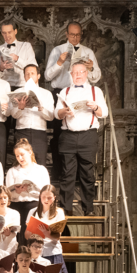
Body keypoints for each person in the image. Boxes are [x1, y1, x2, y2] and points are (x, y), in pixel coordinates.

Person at [54, 62, 108, 216]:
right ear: (71, 74)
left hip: (88, 136)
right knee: (67, 174)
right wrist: (64, 112)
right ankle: (66, 208)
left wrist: (95, 107)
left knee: (87, 174)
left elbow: (104, 113)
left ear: (86, 73)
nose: (77, 75)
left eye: (81, 72)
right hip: (68, 136)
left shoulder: (95, 90)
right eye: (75, 72)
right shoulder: (65, 91)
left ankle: (88, 208)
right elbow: (55, 114)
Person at [45, 21, 103, 90]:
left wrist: (91, 69)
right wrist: (59, 63)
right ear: (66, 34)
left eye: (78, 35)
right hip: (60, 92)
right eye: (72, 34)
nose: (75, 38)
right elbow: (47, 77)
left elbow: (96, 79)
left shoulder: (88, 52)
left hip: (82, 92)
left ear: (81, 34)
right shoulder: (57, 50)